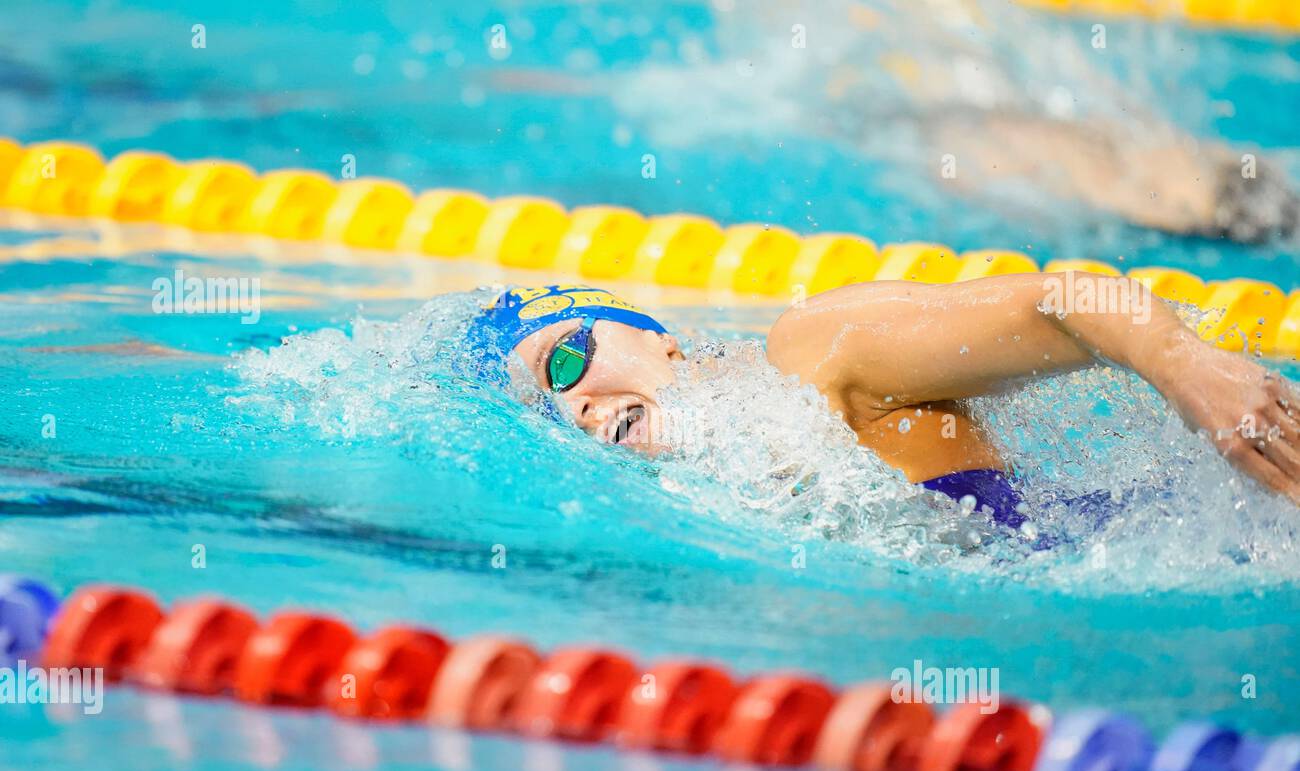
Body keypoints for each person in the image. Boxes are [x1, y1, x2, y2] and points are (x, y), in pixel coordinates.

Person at [465, 279, 1300, 525]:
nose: (572, 407)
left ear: (661, 339)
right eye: (548, 412)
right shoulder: (696, 501)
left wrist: (1191, 368)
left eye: (565, 359)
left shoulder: (812, 355)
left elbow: (1068, 302)